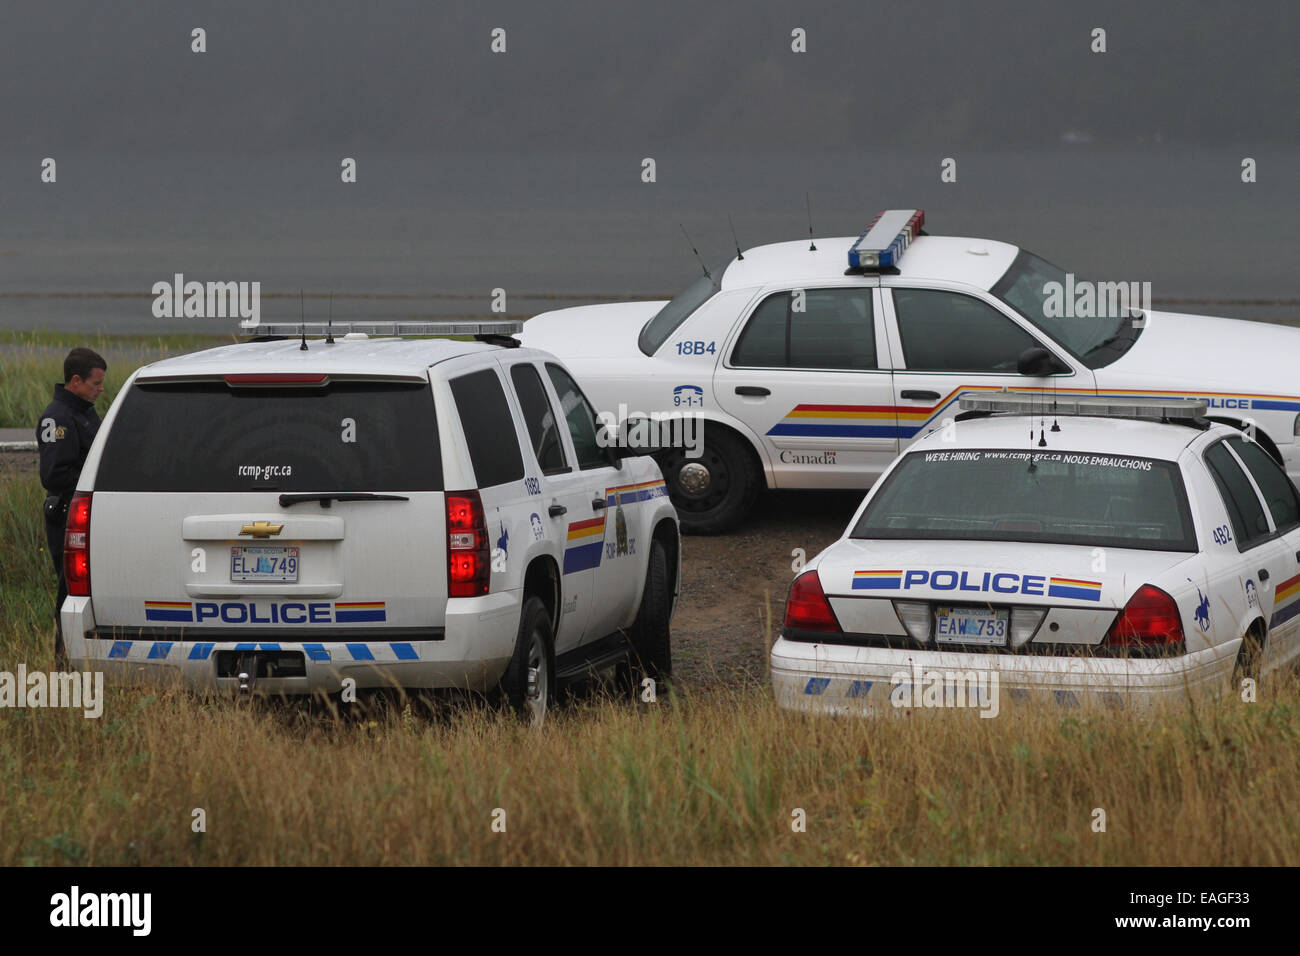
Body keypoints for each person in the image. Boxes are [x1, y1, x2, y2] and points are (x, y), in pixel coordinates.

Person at [36, 348, 107, 664]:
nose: (101, 389)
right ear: (76, 380)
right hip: (67, 514)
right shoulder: (59, 417)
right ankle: (64, 661)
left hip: (87, 513)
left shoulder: (85, 410)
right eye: (96, 383)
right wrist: (95, 480)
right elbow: (54, 475)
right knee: (70, 592)